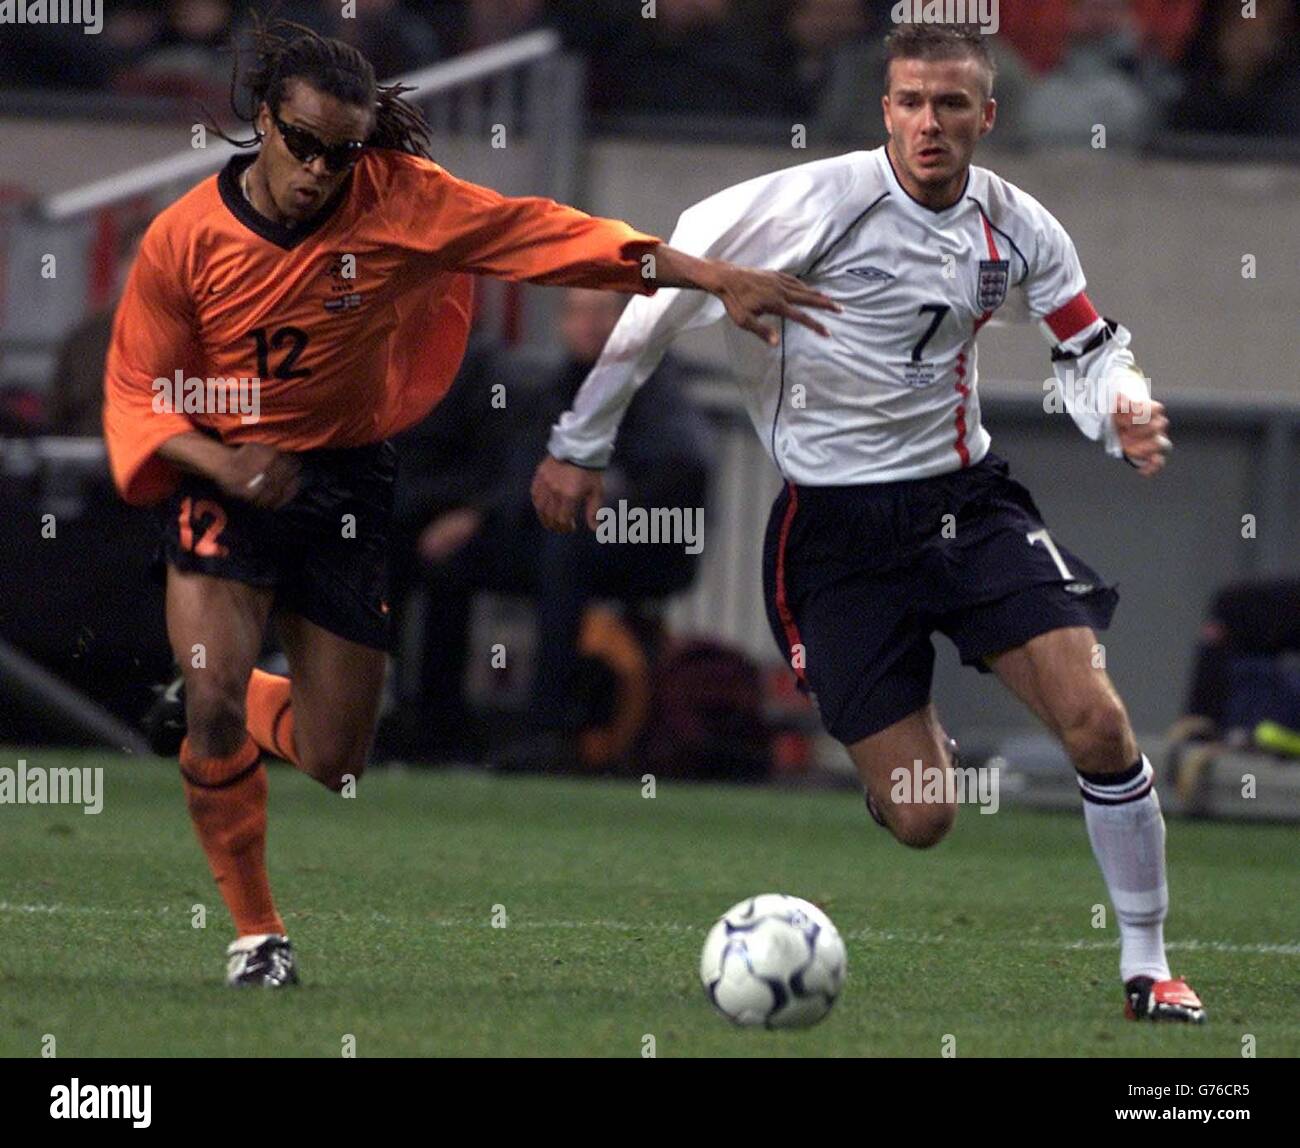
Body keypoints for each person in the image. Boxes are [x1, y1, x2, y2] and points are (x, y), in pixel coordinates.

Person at [105, 18, 834, 987]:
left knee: (335, 757)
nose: (323, 170)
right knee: (211, 697)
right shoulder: (183, 238)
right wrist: (220, 460)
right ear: (262, 121)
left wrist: (711, 274)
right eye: (306, 145)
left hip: (345, 483)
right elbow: (134, 389)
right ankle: (257, 933)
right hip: (222, 477)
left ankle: (238, 704)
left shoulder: (400, 201)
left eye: (344, 150)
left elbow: (554, 237)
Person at [532, 24, 1204, 1024]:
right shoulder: (812, 203)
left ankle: (1148, 968)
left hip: (965, 505)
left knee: (1098, 720)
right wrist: (580, 441)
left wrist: (1123, 405)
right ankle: (903, 749)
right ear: (883, 106)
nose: (927, 123)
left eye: (949, 104)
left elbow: (1088, 345)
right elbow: (659, 296)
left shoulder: (1018, 225)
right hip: (835, 535)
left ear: (988, 113)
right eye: (908, 102)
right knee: (923, 817)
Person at [393, 287, 711, 767]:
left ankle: (552, 729)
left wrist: (605, 499)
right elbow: (524, 472)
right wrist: (477, 516)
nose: (588, 324)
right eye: (577, 312)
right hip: (559, 532)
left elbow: (681, 468)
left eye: (601, 312)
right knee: (455, 558)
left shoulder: (653, 383)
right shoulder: (555, 386)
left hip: (649, 535)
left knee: (566, 546)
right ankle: (438, 727)